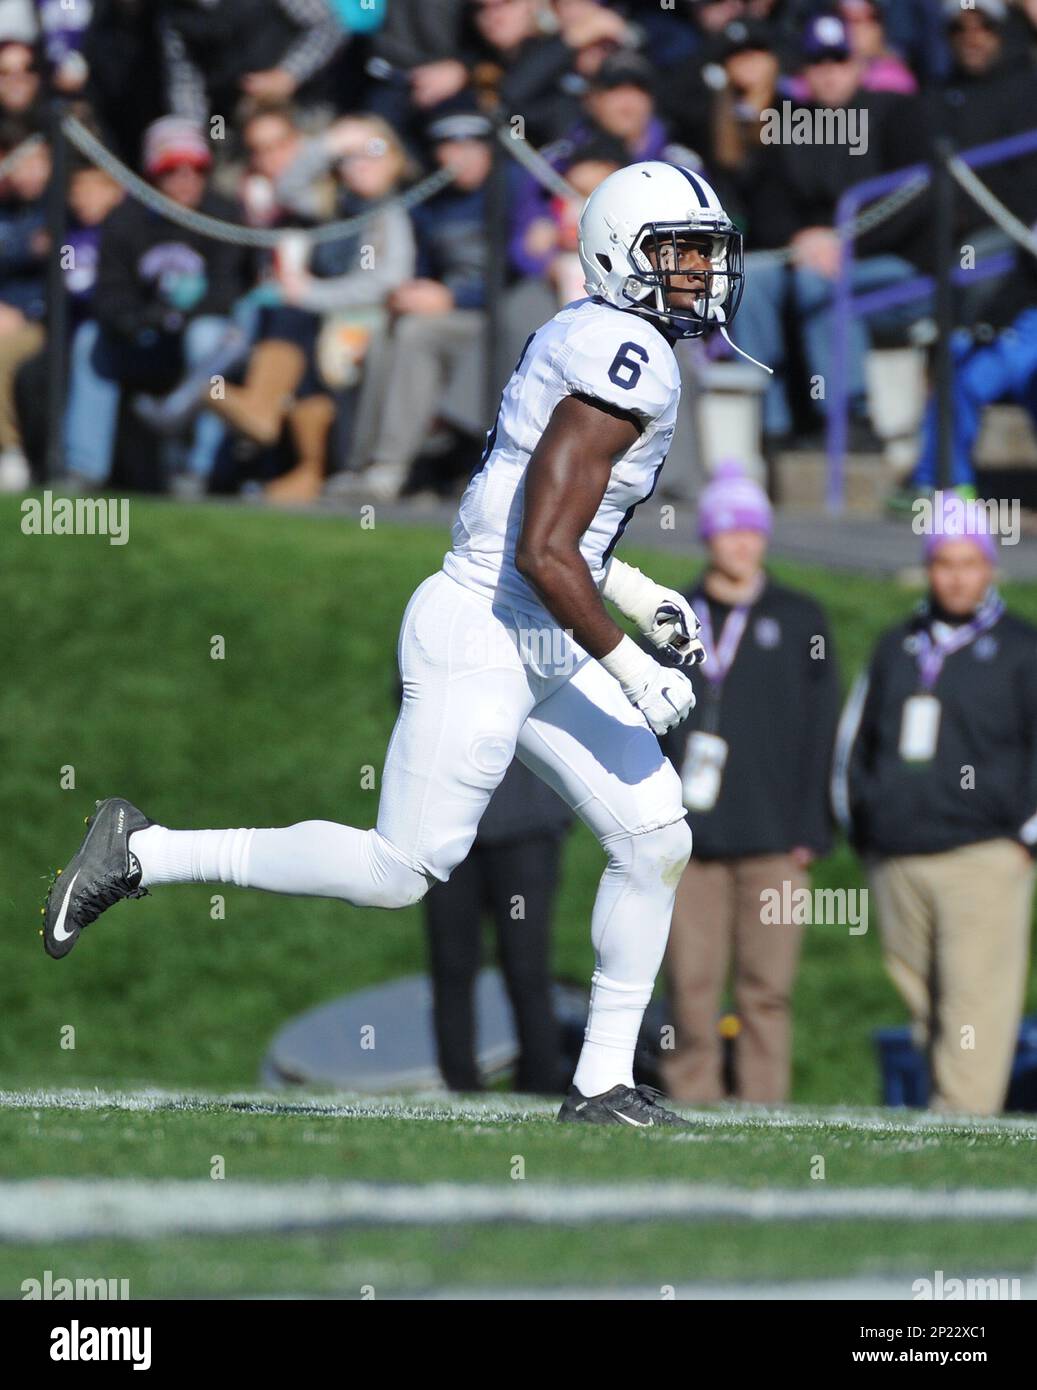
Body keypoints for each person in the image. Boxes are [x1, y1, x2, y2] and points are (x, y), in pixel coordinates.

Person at [41, 160, 751, 1129]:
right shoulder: (625, 354)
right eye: (677, 255)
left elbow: (538, 519)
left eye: (702, 256)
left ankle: (599, 1083)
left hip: (534, 624)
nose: (698, 277)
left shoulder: (602, 338)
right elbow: (543, 548)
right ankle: (144, 850)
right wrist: (630, 660)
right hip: (487, 632)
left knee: (655, 835)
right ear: (619, 259)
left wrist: (630, 588)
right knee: (397, 871)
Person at [834, 498, 1037, 1114]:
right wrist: (864, 825)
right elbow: (855, 741)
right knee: (924, 1002)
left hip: (985, 853)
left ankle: (963, 1121)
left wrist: (1025, 836)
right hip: (897, 852)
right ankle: (943, 1116)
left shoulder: (1021, 648)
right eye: (943, 562)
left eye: (969, 562)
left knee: (974, 1001)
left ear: (990, 568)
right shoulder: (897, 645)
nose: (955, 575)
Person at [656, 461, 840, 1104]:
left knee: (768, 991)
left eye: (752, 530)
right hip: (688, 845)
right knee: (691, 988)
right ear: (708, 536)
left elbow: (824, 733)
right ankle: (693, 1107)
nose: (741, 542)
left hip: (775, 845)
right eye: (729, 530)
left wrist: (812, 829)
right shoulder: (672, 617)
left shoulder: (800, 618)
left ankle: (765, 1114)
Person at [61, 117, 252, 493]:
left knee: (207, 337)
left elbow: (228, 290)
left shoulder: (225, 214)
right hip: (146, 336)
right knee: (89, 340)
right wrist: (136, 319)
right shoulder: (125, 219)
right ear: (151, 175)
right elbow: (110, 292)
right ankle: (83, 468)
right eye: (172, 171)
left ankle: (199, 469)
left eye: (195, 169)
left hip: (202, 338)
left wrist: (179, 317)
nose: (185, 180)